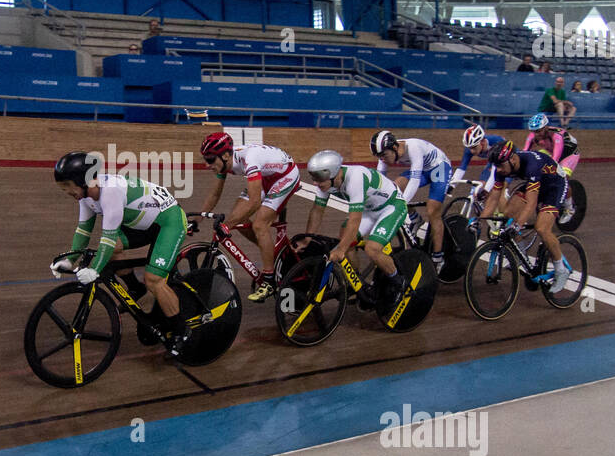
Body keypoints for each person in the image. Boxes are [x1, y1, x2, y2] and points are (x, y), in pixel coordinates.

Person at [51, 151, 191, 355]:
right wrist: (69, 260)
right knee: (111, 251)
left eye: (67, 187)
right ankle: (135, 288)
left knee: (153, 279)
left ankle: (182, 330)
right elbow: (83, 231)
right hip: (142, 224)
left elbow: (106, 238)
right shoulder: (87, 195)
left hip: (168, 222)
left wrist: (95, 270)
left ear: (83, 181)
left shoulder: (110, 192)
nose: (66, 192)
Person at [197, 131, 300, 302]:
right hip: (266, 176)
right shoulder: (224, 162)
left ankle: (268, 281)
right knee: (239, 217)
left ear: (224, 155)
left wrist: (227, 226)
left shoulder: (249, 160)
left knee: (260, 225)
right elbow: (215, 195)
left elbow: (254, 203)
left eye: (210, 159)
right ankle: (268, 250)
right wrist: (197, 219)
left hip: (285, 175)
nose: (207, 164)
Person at [297, 150, 407, 300]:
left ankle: (398, 281)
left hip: (391, 207)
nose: (315, 182)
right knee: (345, 239)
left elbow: (355, 219)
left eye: (319, 178)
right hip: (369, 209)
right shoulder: (326, 183)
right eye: (313, 177)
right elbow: (317, 211)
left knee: (372, 249)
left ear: (335, 173)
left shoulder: (355, 178)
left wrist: (341, 249)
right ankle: (357, 282)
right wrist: (307, 240)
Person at [482, 142, 574, 291]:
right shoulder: (502, 167)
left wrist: (517, 227)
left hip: (554, 186)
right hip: (537, 183)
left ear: (512, 160)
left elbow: (531, 204)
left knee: (542, 228)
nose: (498, 170)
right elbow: (493, 197)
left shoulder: (532, 165)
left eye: (500, 166)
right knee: (509, 214)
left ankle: (561, 269)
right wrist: (480, 220)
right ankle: (521, 255)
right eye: (496, 166)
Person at [370, 130, 452, 273]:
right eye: (379, 157)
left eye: (384, 156)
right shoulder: (385, 152)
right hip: (424, 170)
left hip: (439, 167)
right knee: (395, 188)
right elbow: (380, 181)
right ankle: (415, 219)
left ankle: (438, 257)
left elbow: (414, 180)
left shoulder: (413, 148)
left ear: (394, 148)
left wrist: (401, 204)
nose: (382, 160)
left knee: (433, 211)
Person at [523, 113, 581, 223]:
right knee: (537, 157)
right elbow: (525, 153)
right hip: (550, 150)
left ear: (546, 128)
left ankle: (569, 209)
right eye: (534, 131)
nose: (536, 134)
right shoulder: (533, 136)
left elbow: (555, 159)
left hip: (569, 155)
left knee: (562, 179)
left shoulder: (556, 136)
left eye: (539, 131)